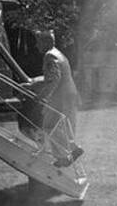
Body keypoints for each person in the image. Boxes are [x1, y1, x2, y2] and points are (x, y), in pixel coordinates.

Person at [33, 28, 81, 167]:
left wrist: (41, 95)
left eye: (38, 42)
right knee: (61, 126)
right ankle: (64, 157)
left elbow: (54, 79)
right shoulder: (60, 54)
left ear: (45, 42)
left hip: (60, 96)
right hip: (70, 94)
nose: (37, 46)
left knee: (49, 127)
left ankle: (73, 149)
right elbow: (52, 76)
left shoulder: (49, 56)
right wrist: (33, 82)